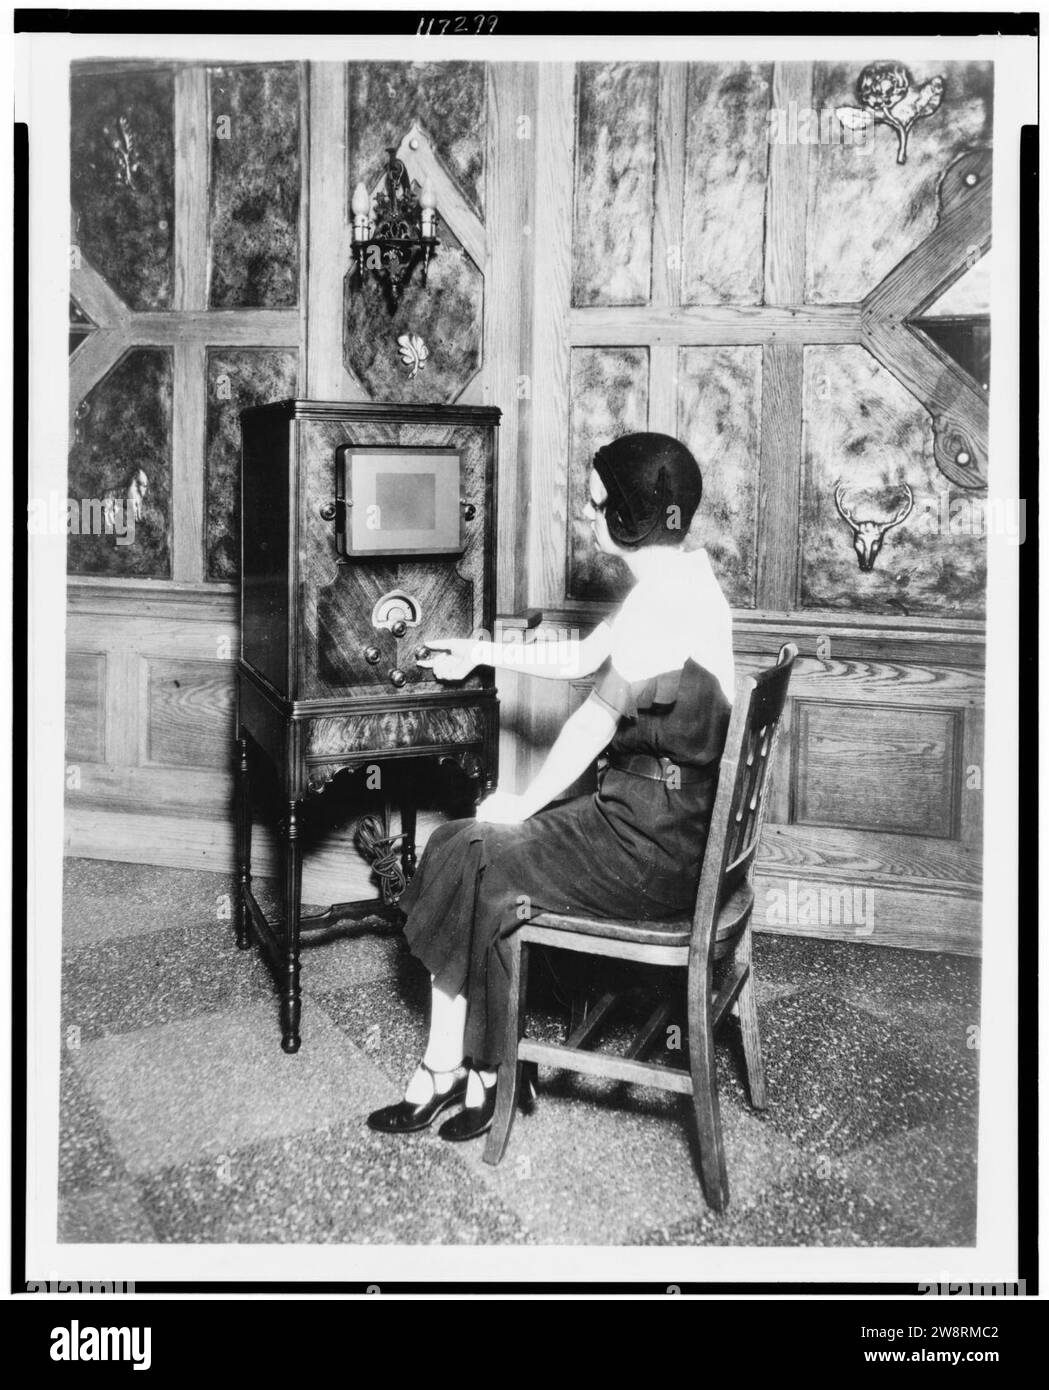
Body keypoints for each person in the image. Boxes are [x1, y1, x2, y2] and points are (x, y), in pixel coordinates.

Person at [366, 432, 735, 1141]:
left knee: (465, 845)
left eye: (599, 504)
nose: (589, 517)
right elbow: (581, 660)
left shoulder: (665, 602)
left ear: (629, 513)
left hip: (648, 851)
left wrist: (523, 803)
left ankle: (460, 1069)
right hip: (659, 826)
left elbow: (596, 718)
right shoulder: (682, 580)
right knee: (472, 852)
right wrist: (478, 653)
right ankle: (474, 1070)